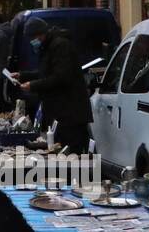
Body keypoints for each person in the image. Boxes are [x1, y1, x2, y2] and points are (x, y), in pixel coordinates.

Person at [18, 16, 93, 154]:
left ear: (41, 34)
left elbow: (60, 77)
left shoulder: (60, 46)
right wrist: (23, 75)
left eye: (32, 38)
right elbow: (45, 72)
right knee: (60, 149)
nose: (31, 42)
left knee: (70, 152)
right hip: (59, 113)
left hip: (69, 113)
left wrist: (33, 85)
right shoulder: (49, 47)